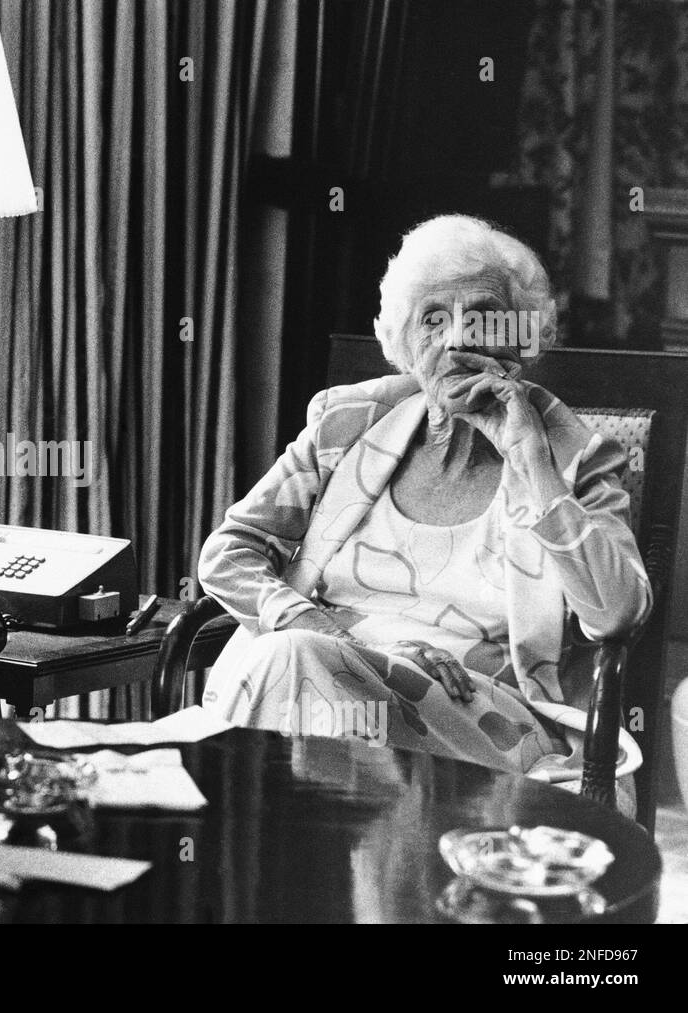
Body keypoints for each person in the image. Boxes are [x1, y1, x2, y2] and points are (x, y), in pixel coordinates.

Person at [198, 215, 650, 796]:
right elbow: (229, 553)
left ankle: (288, 859)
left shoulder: (573, 454)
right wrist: (338, 637)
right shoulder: (348, 423)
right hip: (317, 669)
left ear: (525, 338)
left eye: (484, 316)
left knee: (282, 670)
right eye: (433, 319)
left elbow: (618, 615)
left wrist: (532, 462)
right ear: (405, 343)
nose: (459, 338)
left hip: (483, 716)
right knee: (291, 657)